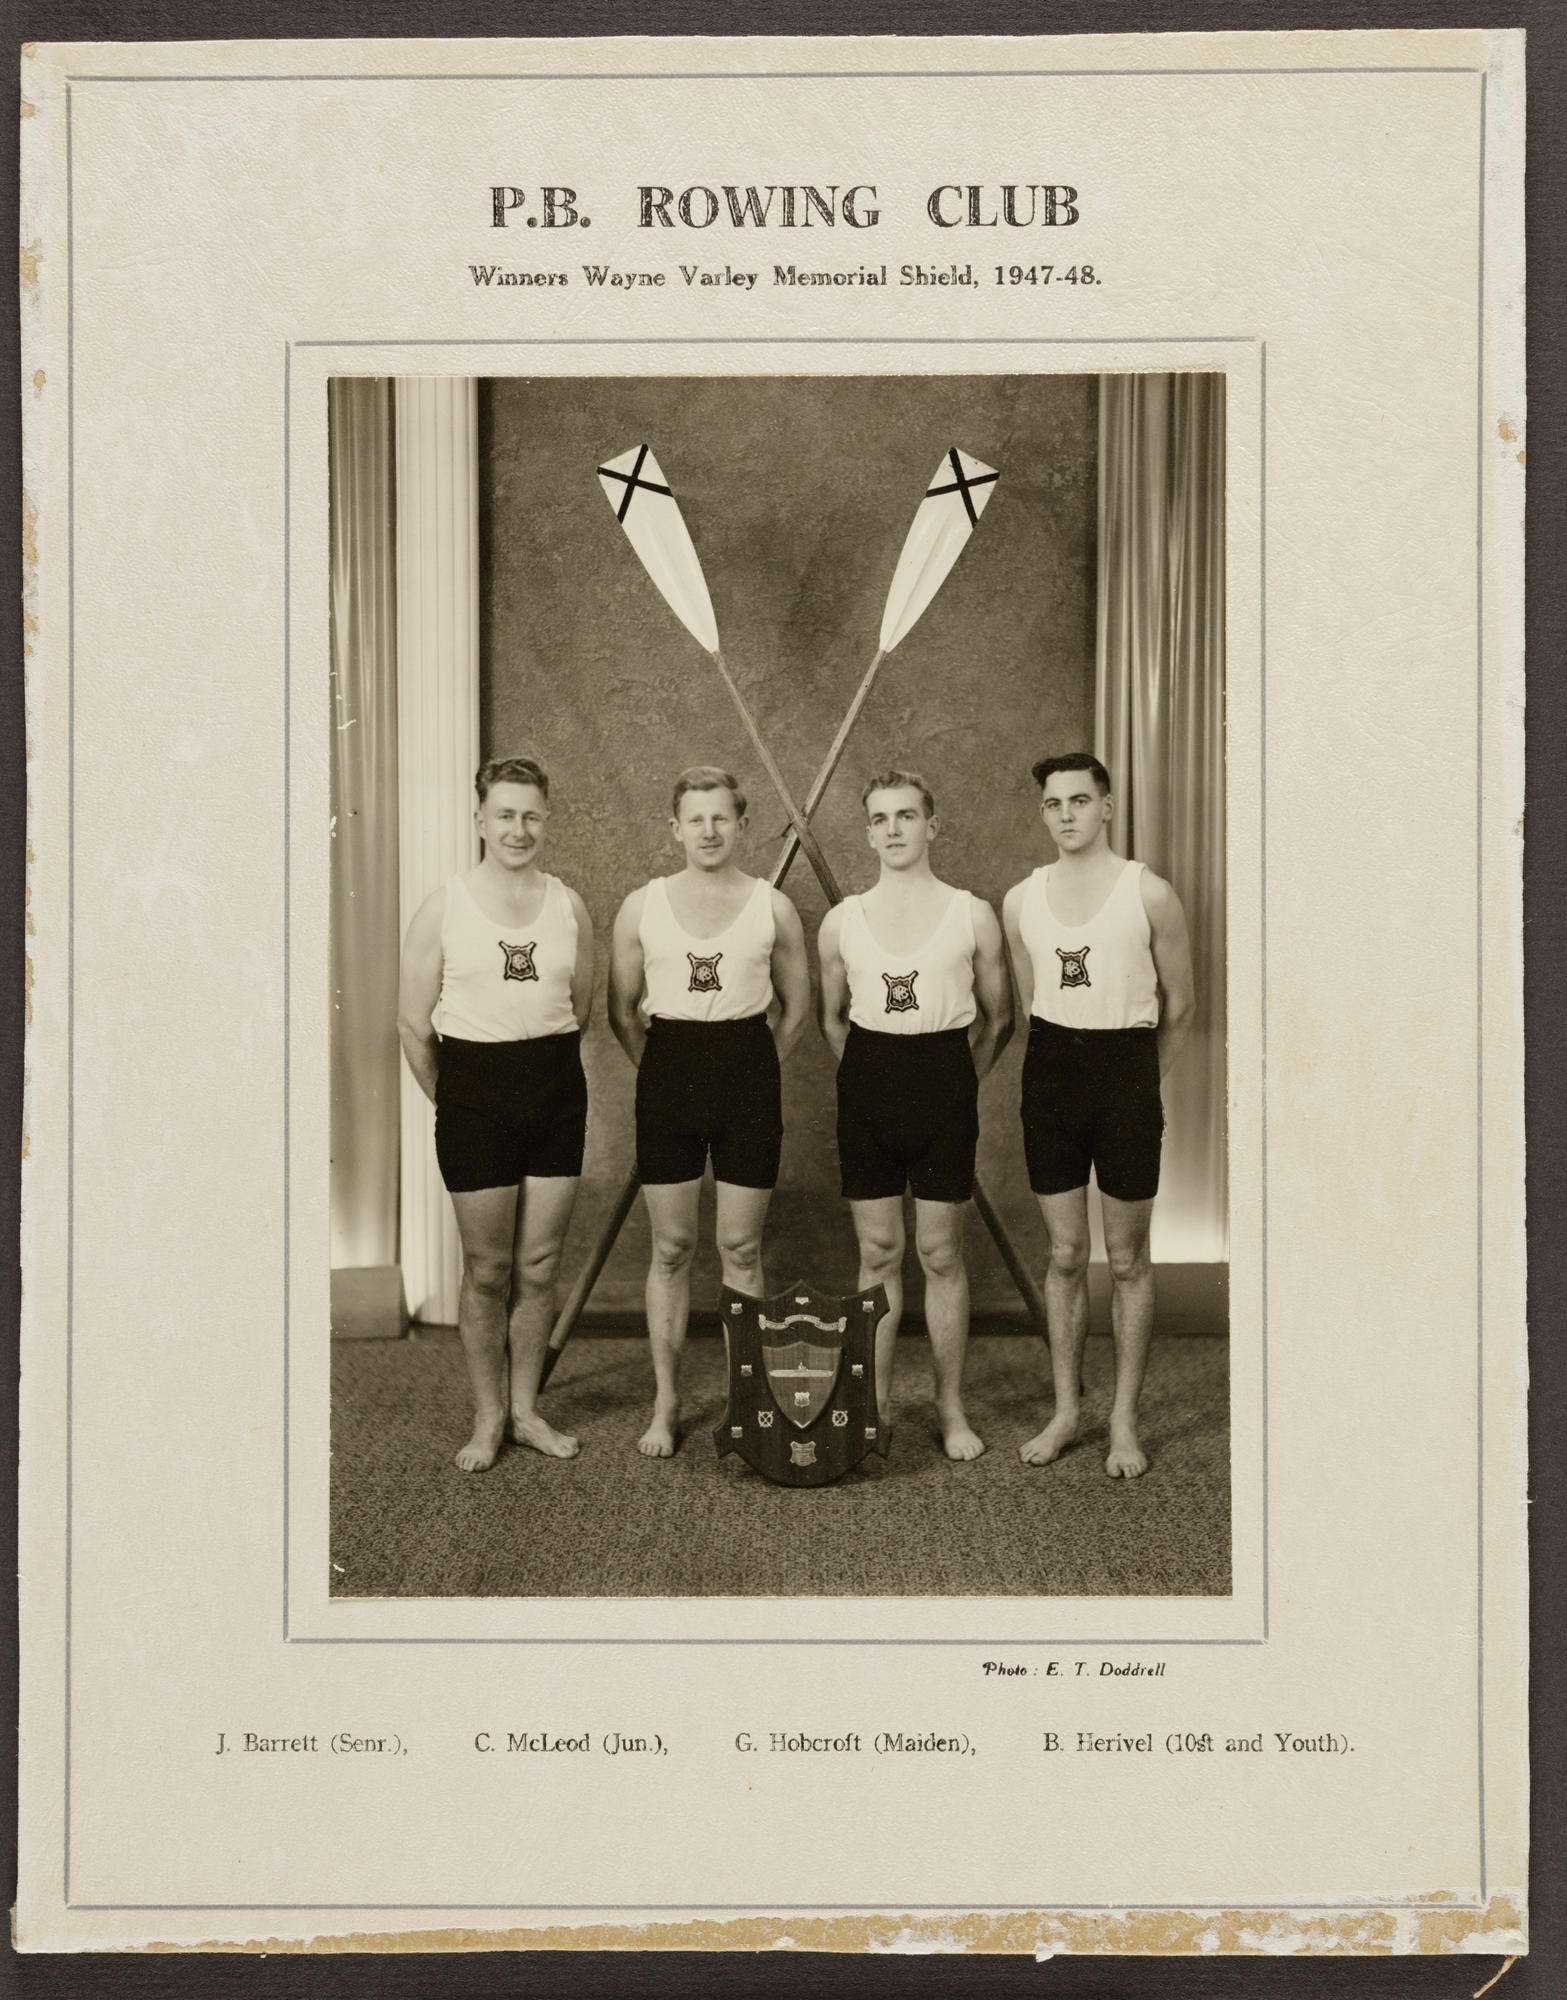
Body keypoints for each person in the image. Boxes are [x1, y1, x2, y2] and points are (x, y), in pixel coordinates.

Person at [397, 755, 594, 1472]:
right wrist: (457, 1100)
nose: (519, 828)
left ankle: (525, 1410)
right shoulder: (442, 906)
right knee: (487, 1270)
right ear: (479, 819)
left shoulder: (568, 905)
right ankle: (487, 1418)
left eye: (531, 814)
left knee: (539, 1266)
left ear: (547, 818)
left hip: (553, 1091)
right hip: (474, 1095)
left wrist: (536, 1078)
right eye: (505, 814)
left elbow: (583, 1009)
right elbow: (413, 1026)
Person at [1001, 753, 1195, 1478]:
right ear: (1043, 813)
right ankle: (1065, 1411)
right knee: (1061, 1255)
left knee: (1127, 1260)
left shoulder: (1149, 894)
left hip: (1125, 1075)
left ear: (1105, 808)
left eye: (1079, 801)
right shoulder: (1020, 900)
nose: (1066, 815)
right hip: (1051, 1073)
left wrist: (1137, 1083)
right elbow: (1031, 1006)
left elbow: (1180, 1006)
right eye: (1053, 804)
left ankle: (1122, 1420)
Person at [608, 766, 811, 1458]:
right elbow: (620, 1012)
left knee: (740, 1249)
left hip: (747, 1077)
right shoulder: (642, 906)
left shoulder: (771, 907)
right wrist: (671, 1075)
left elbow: (798, 1010)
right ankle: (665, 1404)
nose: (708, 830)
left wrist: (747, 1071)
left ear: (741, 825)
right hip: (667, 1074)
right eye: (695, 819)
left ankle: (744, 1398)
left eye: (721, 817)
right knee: (670, 1248)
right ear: (675, 828)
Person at [817, 770, 1013, 1461]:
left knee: (938, 1253)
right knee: (877, 1253)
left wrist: (954, 1084)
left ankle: (949, 1406)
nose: (893, 828)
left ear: (933, 825)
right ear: (867, 831)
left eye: (906, 815)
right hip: (869, 1082)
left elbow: (998, 1018)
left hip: (943, 1083)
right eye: (880, 818)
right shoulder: (842, 921)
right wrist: (879, 1079)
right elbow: (832, 1023)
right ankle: (869, 1405)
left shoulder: (971, 913)